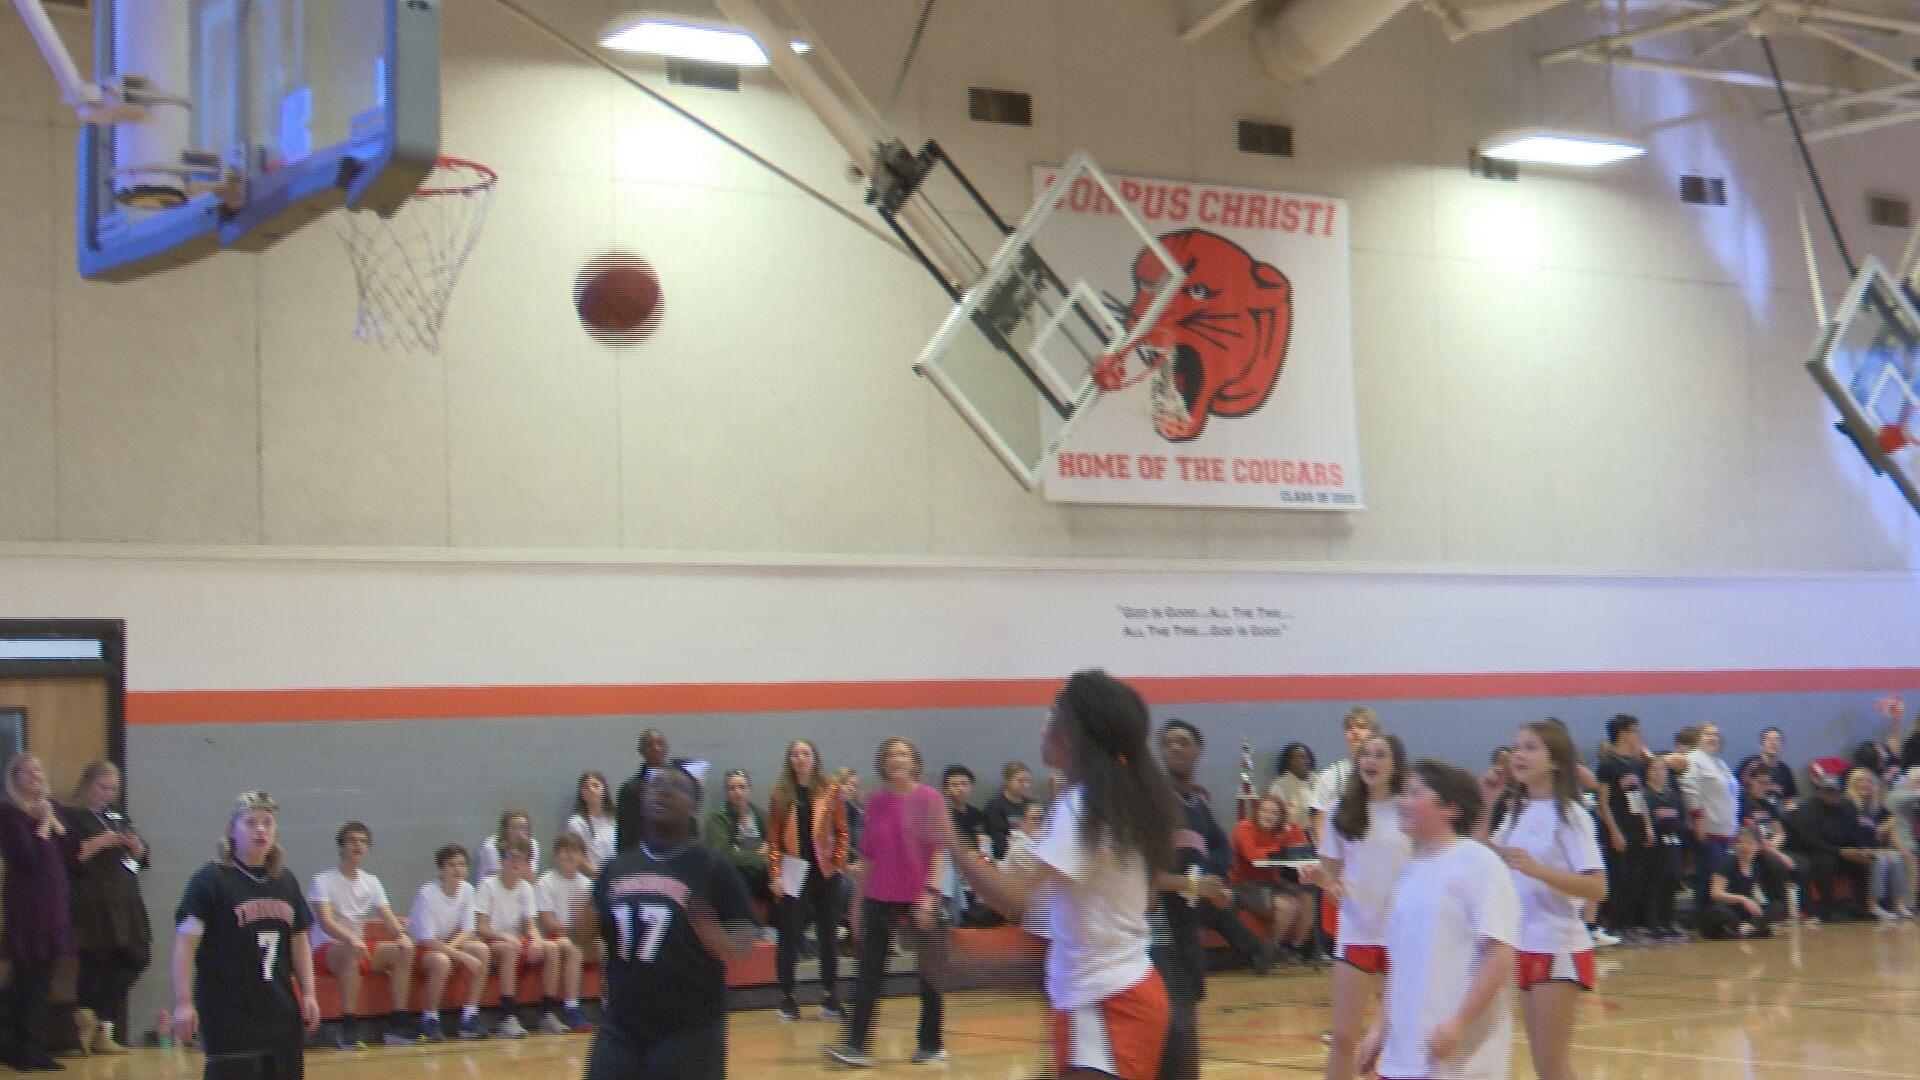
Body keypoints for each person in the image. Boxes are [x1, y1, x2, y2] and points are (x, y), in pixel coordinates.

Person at [946, 670, 1177, 1080]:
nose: (1043, 723)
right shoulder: (1113, 796)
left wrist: (947, 836)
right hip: (1112, 991)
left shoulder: (1081, 806)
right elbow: (1148, 899)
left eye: (1051, 712)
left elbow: (1013, 901)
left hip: (1107, 1000)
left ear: (1072, 733)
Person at [585, 763, 759, 1080]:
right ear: (641, 801)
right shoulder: (616, 868)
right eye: (655, 785)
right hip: (621, 1025)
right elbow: (590, 943)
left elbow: (744, 935)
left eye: (675, 787)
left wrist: (723, 941)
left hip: (689, 1027)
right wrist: (580, 927)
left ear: (693, 807)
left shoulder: (712, 867)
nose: (663, 791)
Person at [1358, 760, 1517, 1080]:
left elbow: (1500, 954)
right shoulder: (1408, 874)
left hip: (1461, 1061)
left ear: (1451, 809)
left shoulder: (1479, 862)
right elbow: (1399, 965)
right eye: (1402, 793)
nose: (1403, 802)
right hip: (1404, 1055)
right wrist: (1379, 1030)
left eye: (1416, 793)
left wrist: (1460, 1022)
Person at [1485, 719, 1608, 1080]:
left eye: (1530, 747)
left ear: (1554, 761)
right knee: (1544, 1066)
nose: (1518, 754)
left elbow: (1597, 888)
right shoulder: (1517, 812)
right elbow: (1482, 854)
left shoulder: (1570, 815)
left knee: (1551, 1066)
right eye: (1516, 747)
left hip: (1558, 947)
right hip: (1520, 944)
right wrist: (1487, 801)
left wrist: (1539, 871)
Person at [172, 791, 320, 1080]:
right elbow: (185, 945)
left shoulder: (285, 881)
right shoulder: (211, 879)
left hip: (279, 1010)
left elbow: (299, 940)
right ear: (231, 830)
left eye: (268, 822)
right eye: (250, 823)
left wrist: (310, 993)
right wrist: (183, 1002)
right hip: (228, 1012)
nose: (261, 830)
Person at [824, 738, 947, 1068]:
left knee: (930, 975)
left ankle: (932, 1044)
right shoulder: (875, 801)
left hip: (920, 897)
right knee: (869, 973)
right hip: (880, 895)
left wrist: (930, 896)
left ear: (914, 761)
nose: (896, 759)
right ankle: (856, 1045)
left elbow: (938, 853)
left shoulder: (930, 799)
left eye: (903, 753)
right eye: (890, 754)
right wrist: (857, 905)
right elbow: (869, 857)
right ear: (883, 762)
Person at [1313, 733, 1411, 1080]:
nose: (1370, 760)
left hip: (1404, 937)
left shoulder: (1409, 809)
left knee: (1400, 1033)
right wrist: (1330, 882)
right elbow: (1330, 869)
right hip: (1357, 931)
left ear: (1396, 765)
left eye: (1380, 754)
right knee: (1344, 1036)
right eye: (1366, 754)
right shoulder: (1344, 809)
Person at [1158, 719, 1274, 973]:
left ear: (1199, 751)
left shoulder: (1198, 807)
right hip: (1160, 914)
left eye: (1183, 742)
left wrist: (1208, 878)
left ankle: (1261, 954)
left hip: (1192, 906)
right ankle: (1257, 952)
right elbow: (1143, 869)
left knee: (1190, 991)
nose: (1175, 748)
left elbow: (1222, 849)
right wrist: (1188, 883)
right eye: (1168, 744)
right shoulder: (1152, 800)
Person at [60, 760, 148, 1056]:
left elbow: (137, 866)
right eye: (103, 787)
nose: (108, 794)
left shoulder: (116, 815)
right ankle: (92, 1029)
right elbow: (72, 857)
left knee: (137, 956)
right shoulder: (70, 815)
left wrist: (138, 851)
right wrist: (104, 840)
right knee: (97, 964)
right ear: (87, 784)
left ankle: (95, 1020)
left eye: (113, 789)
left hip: (124, 898)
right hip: (91, 900)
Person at [307, 821, 417, 1049]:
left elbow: (388, 918)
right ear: (342, 846)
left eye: (363, 841)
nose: (358, 845)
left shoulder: (372, 881)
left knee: (403, 951)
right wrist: (351, 939)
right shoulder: (323, 880)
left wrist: (402, 935)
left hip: (358, 946)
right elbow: (325, 922)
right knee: (351, 953)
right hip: (328, 948)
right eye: (353, 840)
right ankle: (348, 1026)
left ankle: (397, 1021)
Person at [0, 753, 76, 1071]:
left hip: (52, 904)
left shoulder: (50, 808)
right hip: (27, 904)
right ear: (13, 778)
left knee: (43, 979)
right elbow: (27, 856)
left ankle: (30, 1046)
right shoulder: (7, 812)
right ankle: (20, 1047)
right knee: (27, 977)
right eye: (28, 771)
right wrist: (44, 822)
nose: (36, 775)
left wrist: (52, 819)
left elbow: (73, 849)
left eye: (39, 770)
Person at [767, 739, 847, 1022]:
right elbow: (774, 840)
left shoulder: (831, 790)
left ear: (815, 758)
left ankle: (829, 995)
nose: (800, 758)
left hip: (824, 871)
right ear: (789, 760)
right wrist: (775, 873)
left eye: (805, 753)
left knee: (828, 934)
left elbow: (842, 832)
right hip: (792, 868)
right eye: (794, 754)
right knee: (789, 935)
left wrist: (837, 863)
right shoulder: (780, 794)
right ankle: (787, 996)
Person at [475, 837, 576, 1037]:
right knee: (511, 948)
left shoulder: (526, 888)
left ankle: (547, 1011)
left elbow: (530, 926)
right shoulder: (488, 885)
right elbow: (481, 928)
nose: (515, 863)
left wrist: (537, 941)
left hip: (515, 940)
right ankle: (507, 1015)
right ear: (502, 860)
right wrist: (503, 937)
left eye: (521, 860)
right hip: (492, 941)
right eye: (511, 857)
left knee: (553, 947)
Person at [406, 844, 491, 1042]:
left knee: (481, 950)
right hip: (419, 949)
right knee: (441, 960)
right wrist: (458, 955)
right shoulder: (427, 893)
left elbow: (468, 930)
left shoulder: (468, 890)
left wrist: (453, 949)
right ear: (440, 870)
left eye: (462, 865)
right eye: (451, 865)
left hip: (445, 944)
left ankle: (470, 1016)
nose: (457, 870)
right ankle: (430, 1018)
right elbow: (426, 940)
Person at [1230, 795, 1314, 962]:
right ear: (1257, 812)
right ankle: (1268, 951)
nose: (1268, 816)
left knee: (1307, 899)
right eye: (1264, 811)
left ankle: (1294, 950)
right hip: (1244, 885)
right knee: (1287, 906)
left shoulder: (1279, 831)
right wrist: (1278, 848)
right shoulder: (1244, 828)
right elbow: (1253, 855)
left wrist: (1291, 826)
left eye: (1274, 813)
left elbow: (1301, 849)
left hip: (1271, 883)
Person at [1784, 763, 1872, 922]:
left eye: (1834, 791)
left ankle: (1861, 906)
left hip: (1839, 850)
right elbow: (1809, 842)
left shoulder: (1846, 807)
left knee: (1862, 862)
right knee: (1826, 861)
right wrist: (1840, 852)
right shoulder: (1807, 811)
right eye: (1827, 791)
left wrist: (1860, 850)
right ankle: (1828, 907)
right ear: (1819, 791)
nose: (1831, 794)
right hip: (1812, 852)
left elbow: (1853, 832)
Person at [1595, 715, 1654, 942]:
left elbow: (1639, 797)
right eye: (1634, 730)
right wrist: (1614, 831)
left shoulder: (1634, 763)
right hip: (1619, 827)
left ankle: (1630, 925)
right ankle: (1617, 926)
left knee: (1636, 879)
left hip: (1636, 825)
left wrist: (1647, 825)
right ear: (1623, 733)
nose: (1638, 735)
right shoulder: (1608, 763)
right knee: (1620, 879)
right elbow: (1603, 801)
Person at [535, 832, 596, 1030]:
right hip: (554, 937)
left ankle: (611, 1006)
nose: (570, 856)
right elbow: (548, 922)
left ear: (582, 856)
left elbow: (591, 922)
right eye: (565, 851)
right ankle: (570, 1007)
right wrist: (576, 930)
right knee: (573, 948)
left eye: (575, 852)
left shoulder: (586, 884)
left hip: (578, 936)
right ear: (557, 855)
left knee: (610, 948)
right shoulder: (546, 881)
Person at [1679, 723, 1739, 918]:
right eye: (1707, 734)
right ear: (1698, 737)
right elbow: (1689, 790)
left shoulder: (1719, 763)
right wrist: (1698, 819)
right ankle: (1705, 920)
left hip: (1726, 832)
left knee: (1721, 879)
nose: (1713, 737)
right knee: (1709, 877)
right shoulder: (1693, 759)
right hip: (1708, 831)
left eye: (1716, 734)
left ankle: (1719, 918)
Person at [1843, 768, 1909, 920]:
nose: (1865, 784)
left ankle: (1898, 904)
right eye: (1860, 780)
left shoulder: (1875, 807)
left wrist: (1883, 828)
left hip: (1873, 848)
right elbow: (1847, 832)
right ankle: (1873, 905)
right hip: (1851, 848)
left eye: (1869, 781)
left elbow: (1894, 817)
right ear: (1852, 783)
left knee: (1897, 858)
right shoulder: (1847, 803)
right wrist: (1867, 848)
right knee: (1880, 860)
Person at [704, 769, 773, 907]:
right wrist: (756, 857)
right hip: (736, 873)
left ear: (749, 790)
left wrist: (769, 847)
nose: (737, 792)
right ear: (727, 792)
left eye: (742, 787)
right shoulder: (717, 819)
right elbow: (723, 853)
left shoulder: (760, 814)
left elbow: (774, 840)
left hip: (764, 870)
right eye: (732, 788)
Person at [1310, 708, 1381, 840]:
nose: (1354, 731)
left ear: (1375, 733)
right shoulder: (1330, 776)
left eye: (1361, 727)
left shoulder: (1388, 775)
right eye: (1349, 728)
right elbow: (1319, 822)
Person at [1697, 825, 1776, 939]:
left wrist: (1759, 907)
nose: (1744, 847)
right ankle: (1746, 928)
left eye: (1749, 843)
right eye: (1740, 843)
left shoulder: (1755, 867)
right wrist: (1742, 899)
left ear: (1758, 846)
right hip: (1722, 910)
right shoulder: (1726, 864)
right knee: (1718, 910)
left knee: (1777, 906)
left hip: (1740, 911)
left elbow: (1753, 891)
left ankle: (1747, 928)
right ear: (1735, 845)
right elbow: (1715, 894)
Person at [1642, 758, 1687, 941]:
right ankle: (1653, 924)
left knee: (1672, 882)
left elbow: (1680, 819)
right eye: (1654, 769)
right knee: (1656, 885)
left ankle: (1668, 922)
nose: (1658, 772)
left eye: (1662, 769)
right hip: (1655, 846)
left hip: (1673, 844)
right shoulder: (1645, 795)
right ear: (1647, 772)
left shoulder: (1673, 795)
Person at [615, 728, 675, 853]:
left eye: (660, 743)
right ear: (641, 751)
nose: (656, 748)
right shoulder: (630, 789)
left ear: (667, 748)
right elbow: (625, 832)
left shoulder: (681, 785)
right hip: (641, 858)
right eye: (650, 745)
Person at [981, 762, 1034, 861]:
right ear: (1007, 781)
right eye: (1020, 781)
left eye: (1028, 781)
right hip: (1006, 859)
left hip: (1032, 856)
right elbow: (998, 840)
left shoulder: (1032, 805)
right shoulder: (994, 806)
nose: (1025, 785)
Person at [567, 772, 618, 874]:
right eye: (586, 787)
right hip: (593, 879)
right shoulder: (577, 823)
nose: (591, 789)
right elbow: (579, 857)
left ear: (604, 790)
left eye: (595, 785)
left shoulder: (617, 818)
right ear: (581, 793)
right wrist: (599, 877)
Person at [1739, 727, 1799, 812]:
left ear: (1782, 745)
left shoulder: (1784, 770)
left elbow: (1788, 800)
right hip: (1748, 815)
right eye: (1768, 739)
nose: (1773, 743)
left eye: (1777, 739)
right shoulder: (1749, 765)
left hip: (1772, 817)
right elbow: (1736, 791)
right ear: (1761, 745)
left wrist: (1794, 813)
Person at [476, 809, 541, 880]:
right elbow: (503, 880)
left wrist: (527, 851)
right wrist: (509, 850)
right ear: (505, 830)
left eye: (523, 828)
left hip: (521, 887)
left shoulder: (533, 844)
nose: (519, 833)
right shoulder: (491, 846)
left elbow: (531, 880)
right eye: (514, 828)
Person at [1268, 743, 1317, 827]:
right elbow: (1274, 815)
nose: (1305, 760)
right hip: (1295, 835)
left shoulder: (1317, 780)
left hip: (1321, 833)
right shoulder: (1279, 785)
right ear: (1290, 761)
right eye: (1301, 757)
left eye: (1307, 757)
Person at [1001, 801, 1046, 871]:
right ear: (1022, 822)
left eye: (1041, 818)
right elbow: (1040, 878)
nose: (1038, 822)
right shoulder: (1021, 847)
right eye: (1033, 818)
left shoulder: (1038, 841)